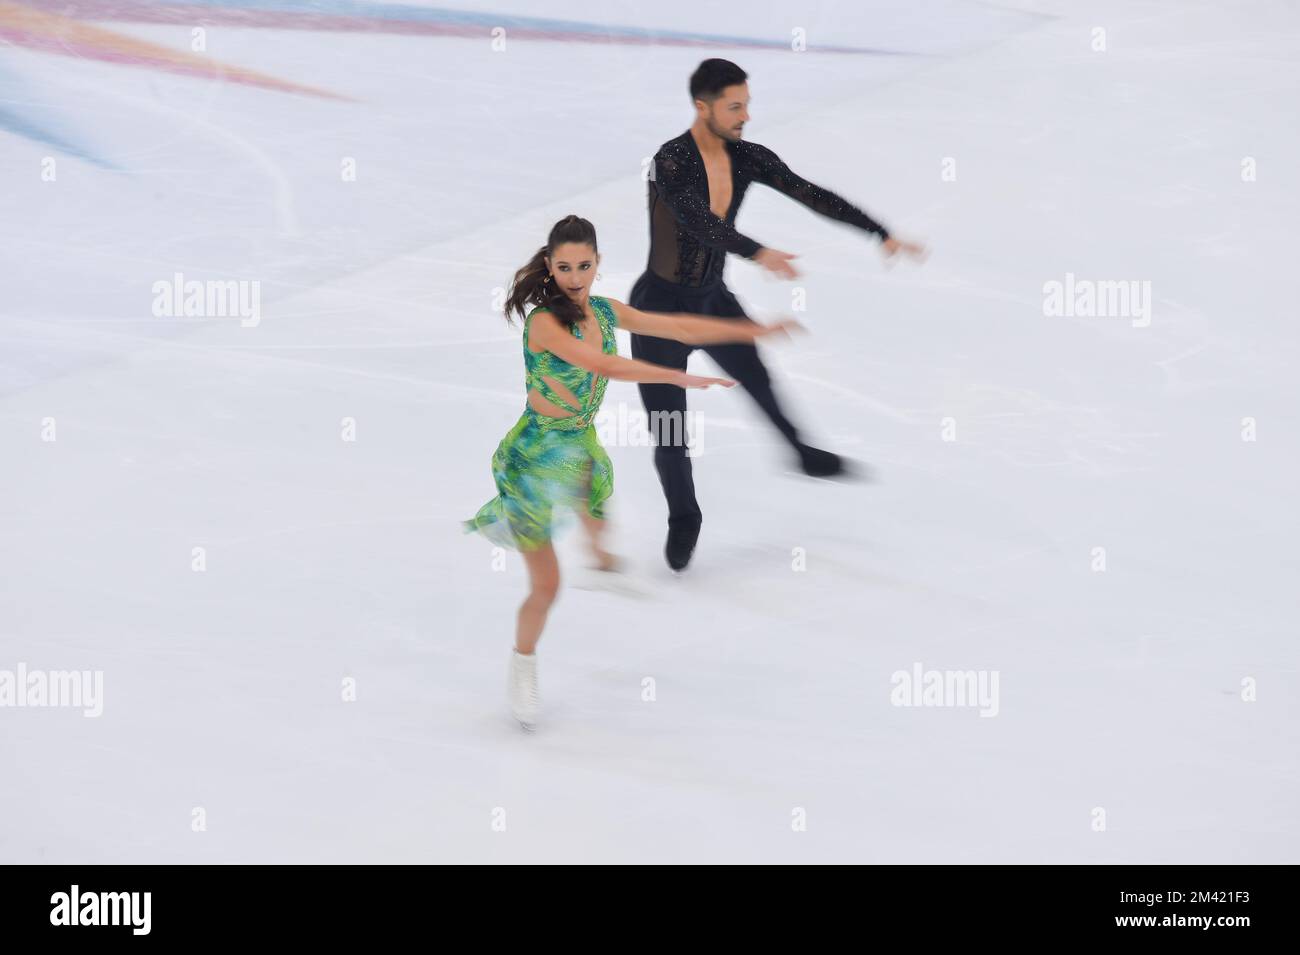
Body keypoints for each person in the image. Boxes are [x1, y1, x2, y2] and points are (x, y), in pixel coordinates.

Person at [464, 214, 802, 728]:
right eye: (564, 267)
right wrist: (676, 377)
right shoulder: (544, 322)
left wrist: (749, 328)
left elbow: (679, 326)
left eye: (584, 265)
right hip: (532, 458)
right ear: (550, 267)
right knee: (546, 586)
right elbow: (604, 367)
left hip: (579, 444)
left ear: (598, 264)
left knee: (599, 517)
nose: (575, 276)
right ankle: (523, 663)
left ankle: (600, 563)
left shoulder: (604, 310)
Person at [630, 57, 927, 571]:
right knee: (671, 430)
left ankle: (803, 454)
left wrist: (880, 231)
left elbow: (810, 194)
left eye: (746, 103)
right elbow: (696, 222)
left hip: (713, 300)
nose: (745, 115)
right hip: (659, 308)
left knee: (759, 379)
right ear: (703, 108)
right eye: (734, 106)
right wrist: (757, 251)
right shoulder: (670, 160)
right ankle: (685, 517)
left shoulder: (748, 158)